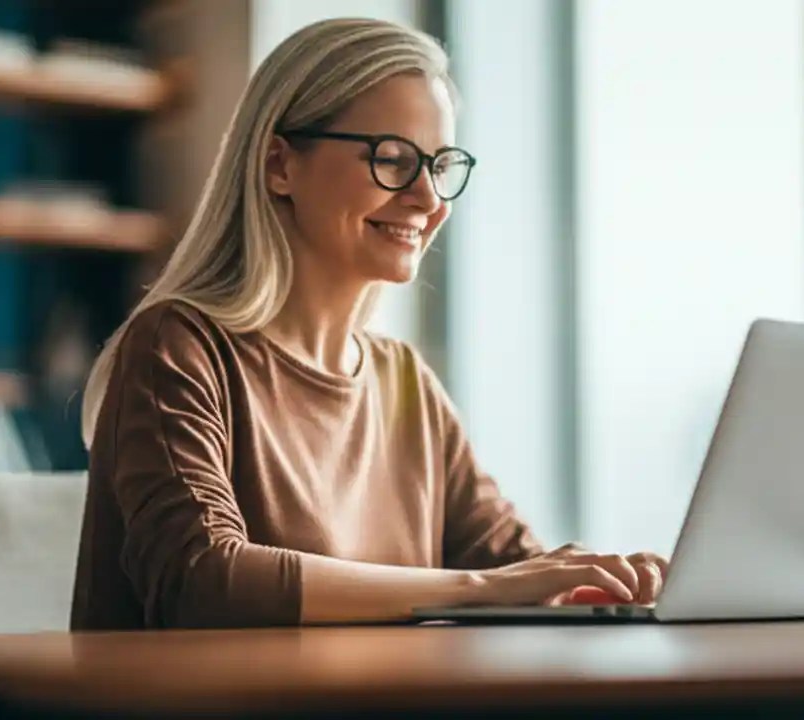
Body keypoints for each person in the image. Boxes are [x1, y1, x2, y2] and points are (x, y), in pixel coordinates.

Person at [71, 17, 668, 630]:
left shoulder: (403, 381)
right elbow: (201, 579)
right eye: (392, 159)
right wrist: (480, 588)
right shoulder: (179, 347)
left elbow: (520, 571)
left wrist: (605, 581)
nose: (429, 199)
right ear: (280, 165)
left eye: (440, 166)